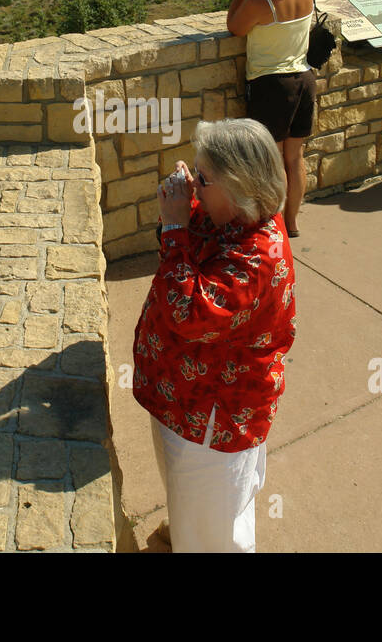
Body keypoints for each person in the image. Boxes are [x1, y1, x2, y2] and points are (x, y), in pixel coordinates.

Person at [133, 118, 297, 553]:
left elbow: (188, 312)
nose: (194, 185)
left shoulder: (257, 256)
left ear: (240, 185)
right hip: (188, 401)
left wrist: (172, 225)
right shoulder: (231, 215)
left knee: (211, 533)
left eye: (202, 178)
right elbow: (193, 242)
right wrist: (184, 206)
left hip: (213, 418)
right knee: (198, 513)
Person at [226, 0, 314, 236]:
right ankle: (291, 222)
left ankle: (271, 228)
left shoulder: (260, 4)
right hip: (304, 80)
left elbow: (234, 27)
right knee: (295, 157)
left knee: (272, 161)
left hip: (272, 86)